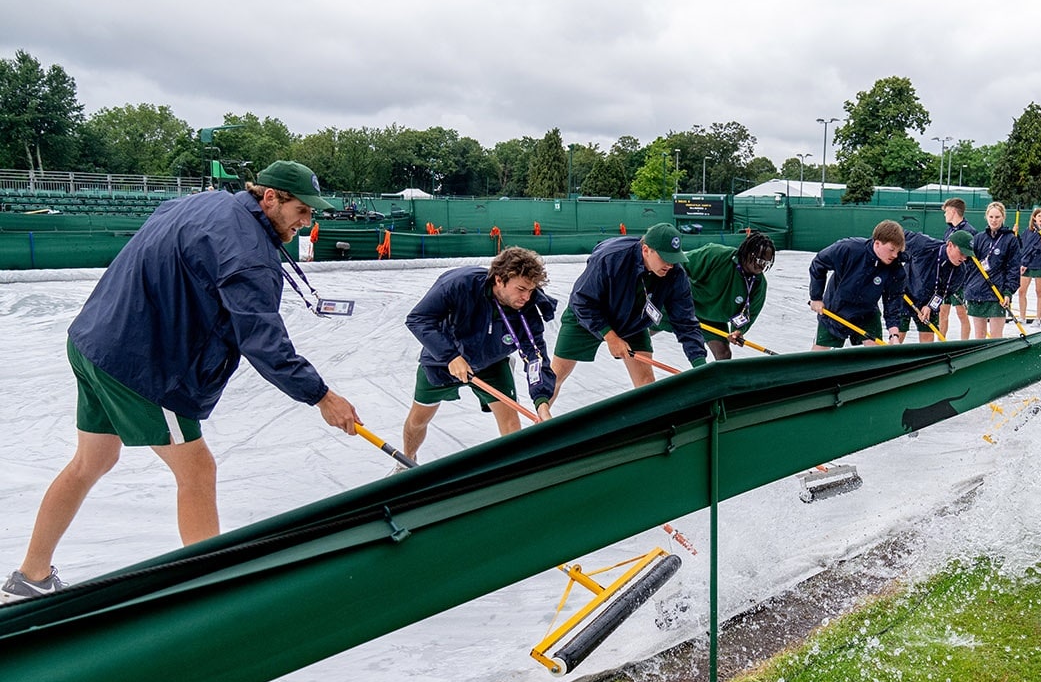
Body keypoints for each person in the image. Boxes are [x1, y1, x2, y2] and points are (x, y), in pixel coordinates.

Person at [3, 161, 360, 602]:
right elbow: (263, 342)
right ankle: (211, 593)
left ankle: (30, 576)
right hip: (141, 365)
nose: (306, 221)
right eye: (302, 211)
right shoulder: (248, 253)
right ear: (270, 198)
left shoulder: (207, 203)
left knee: (91, 462)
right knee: (197, 470)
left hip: (92, 341)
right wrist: (322, 396)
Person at [399, 247, 557, 466]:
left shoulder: (527, 307)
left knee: (511, 424)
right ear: (499, 279)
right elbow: (418, 319)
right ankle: (406, 462)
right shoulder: (460, 284)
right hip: (443, 359)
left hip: (491, 362)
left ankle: (517, 471)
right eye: (521, 289)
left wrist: (542, 403)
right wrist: (451, 356)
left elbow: (535, 356)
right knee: (418, 420)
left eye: (531, 290)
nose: (526, 297)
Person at [550, 223, 707, 406]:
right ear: (646, 250)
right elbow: (582, 300)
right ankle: (540, 419)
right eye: (665, 258)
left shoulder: (675, 273)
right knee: (555, 377)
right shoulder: (611, 258)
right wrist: (610, 336)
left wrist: (700, 366)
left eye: (674, 259)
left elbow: (685, 322)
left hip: (633, 322)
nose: (670, 265)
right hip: (588, 317)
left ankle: (651, 422)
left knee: (647, 384)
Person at [657, 232, 775, 359]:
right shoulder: (715, 254)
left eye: (767, 263)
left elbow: (749, 313)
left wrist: (738, 331)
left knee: (724, 354)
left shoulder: (758, 284)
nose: (762, 266)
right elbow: (680, 266)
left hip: (712, 320)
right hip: (684, 306)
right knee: (646, 328)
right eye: (760, 260)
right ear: (748, 252)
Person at [808, 219, 909, 349]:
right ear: (877, 243)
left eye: (898, 251)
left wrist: (894, 334)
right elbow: (819, 263)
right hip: (836, 310)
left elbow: (893, 301)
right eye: (892, 249)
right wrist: (816, 298)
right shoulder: (849, 249)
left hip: (867, 312)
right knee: (820, 353)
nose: (895, 255)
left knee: (875, 352)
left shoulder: (896, 269)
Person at [964, 202, 1021, 339]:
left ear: (1003, 217)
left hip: (997, 293)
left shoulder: (1010, 239)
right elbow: (969, 265)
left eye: (997, 217)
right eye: (991, 217)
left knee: (996, 336)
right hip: (977, 292)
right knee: (979, 335)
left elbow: (1013, 268)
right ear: (986, 217)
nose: (994, 220)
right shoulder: (978, 238)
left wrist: (1008, 292)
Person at [908, 230, 974, 336]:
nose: (964, 258)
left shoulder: (960, 271)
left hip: (928, 299)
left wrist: (930, 306)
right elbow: (898, 237)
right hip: (905, 292)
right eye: (961, 253)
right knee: (898, 333)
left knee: (927, 336)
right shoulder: (924, 245)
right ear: (950, 245)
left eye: (967, 256)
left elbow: (943, 293)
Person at [940, 199, 975, 339]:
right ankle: (940, 343)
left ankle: (964, 343)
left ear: (953, 211)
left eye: (946, 211)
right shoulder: (949, 231)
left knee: (962, 313)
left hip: (960, 280)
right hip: (945, 279)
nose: (945, 215)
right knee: (942, 312)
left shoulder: (969, 231)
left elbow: (972, 259)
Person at [1017, 207, 1041, 325]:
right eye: (1039, 215)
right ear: (1034, 218)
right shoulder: (1028, 231)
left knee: (1039, 291)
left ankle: (1038, 317)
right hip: (1026, 264)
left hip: (1039, 263)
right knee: (1022, 291)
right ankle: (1022, 316)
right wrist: (1015, 234)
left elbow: (1038, 247)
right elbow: (1023, 245)